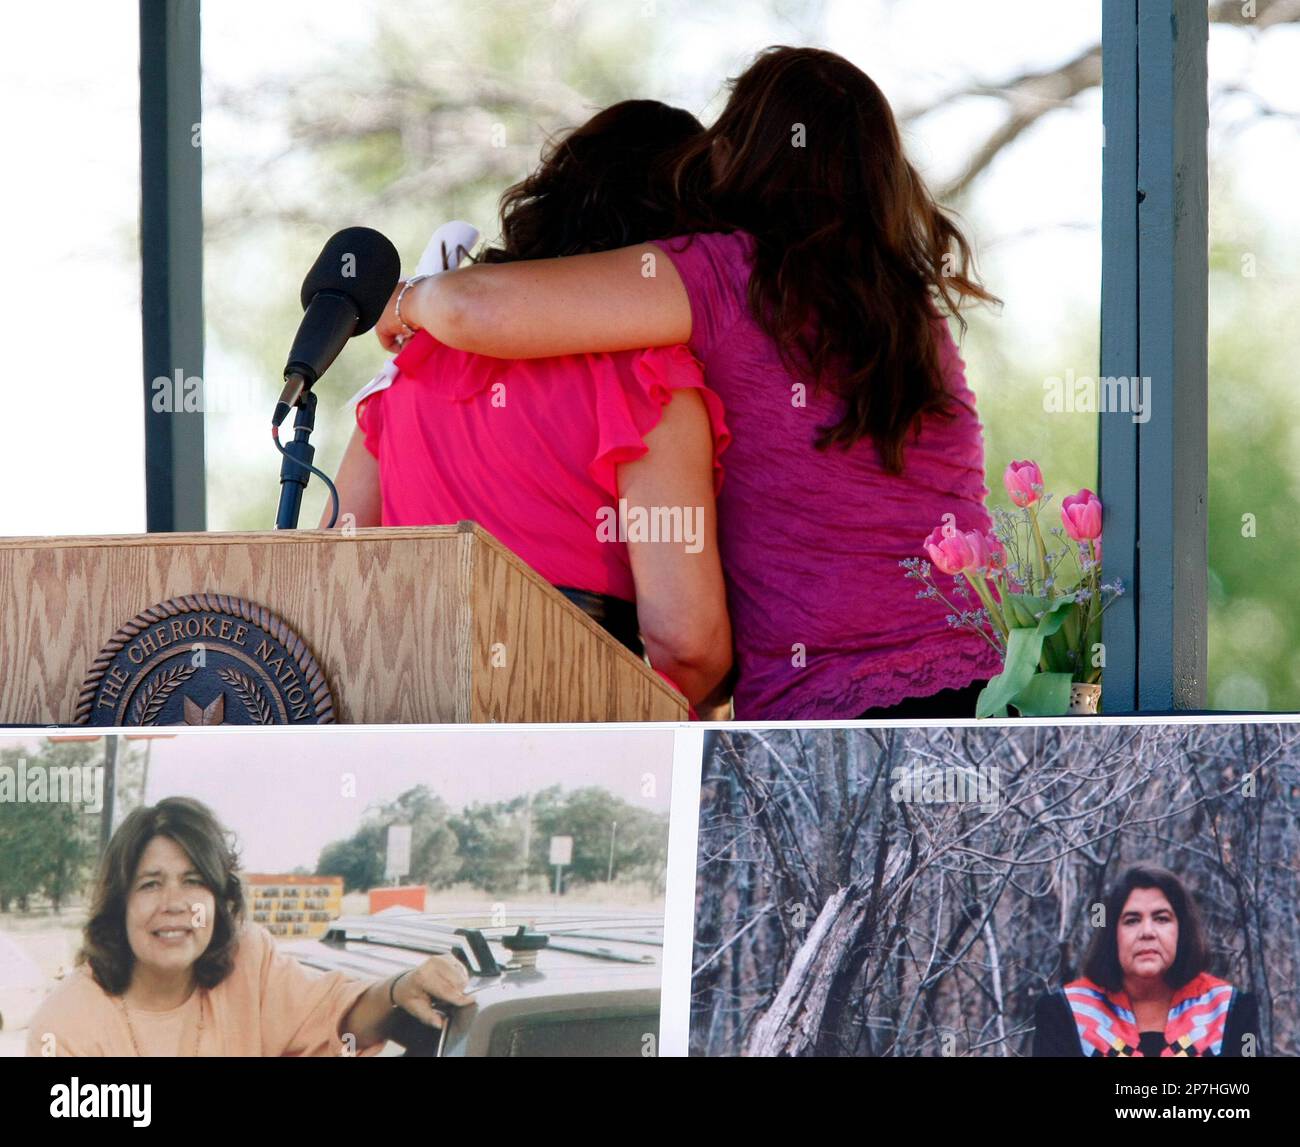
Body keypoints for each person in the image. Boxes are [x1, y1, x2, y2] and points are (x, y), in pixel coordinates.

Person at [374, 47, 1004, 722]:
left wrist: (405, 298)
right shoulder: (916, 320)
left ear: (738, 154)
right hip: (985, 684)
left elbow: (476, 309)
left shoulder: (725, 276)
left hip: (829, 719)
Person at [330, 100, 733, 711]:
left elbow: (337, 568)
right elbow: (686, 642)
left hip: (402, 711)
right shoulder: (650, 377)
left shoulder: (406, 371)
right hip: (569, 714)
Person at [25, 797, 471, 1057]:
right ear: (119, 903)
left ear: (220, 900)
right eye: (150, 884)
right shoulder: (67, 1023)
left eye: (194, 881)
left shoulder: (248, 963)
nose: (174, 905)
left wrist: (398, 988)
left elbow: (339, 1021)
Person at [1033, 864, 1260, 1057]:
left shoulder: (1229, 1010)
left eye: (1162, 919)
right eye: (1132, 920)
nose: (1147, 932)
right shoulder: (1065, 1013)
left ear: (1181, 930)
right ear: (1113, 933)